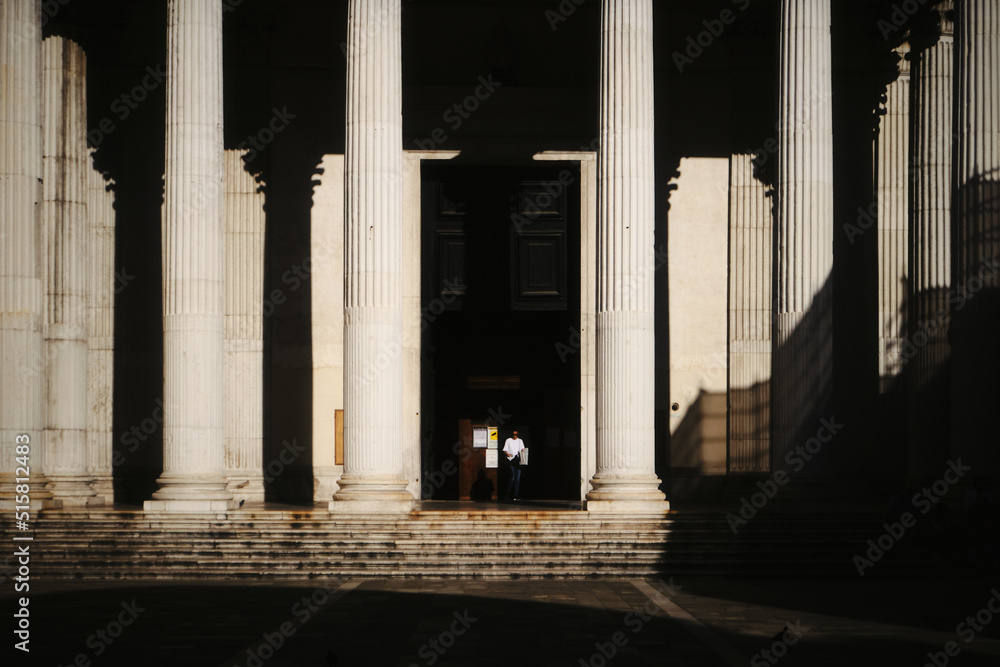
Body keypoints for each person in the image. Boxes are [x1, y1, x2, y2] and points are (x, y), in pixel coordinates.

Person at [503, 430, 525, 501]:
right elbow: (505, 449)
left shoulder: (520, 441)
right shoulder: (508, 440)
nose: (515, 436)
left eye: (516, 435)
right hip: (511, 460)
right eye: (513, 434)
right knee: (512, 478)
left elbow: (522, 449)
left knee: (517, 479)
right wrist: (508, 454)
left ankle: (516, 495)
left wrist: (522, 453)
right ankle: (508, 493)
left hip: (517, 460)